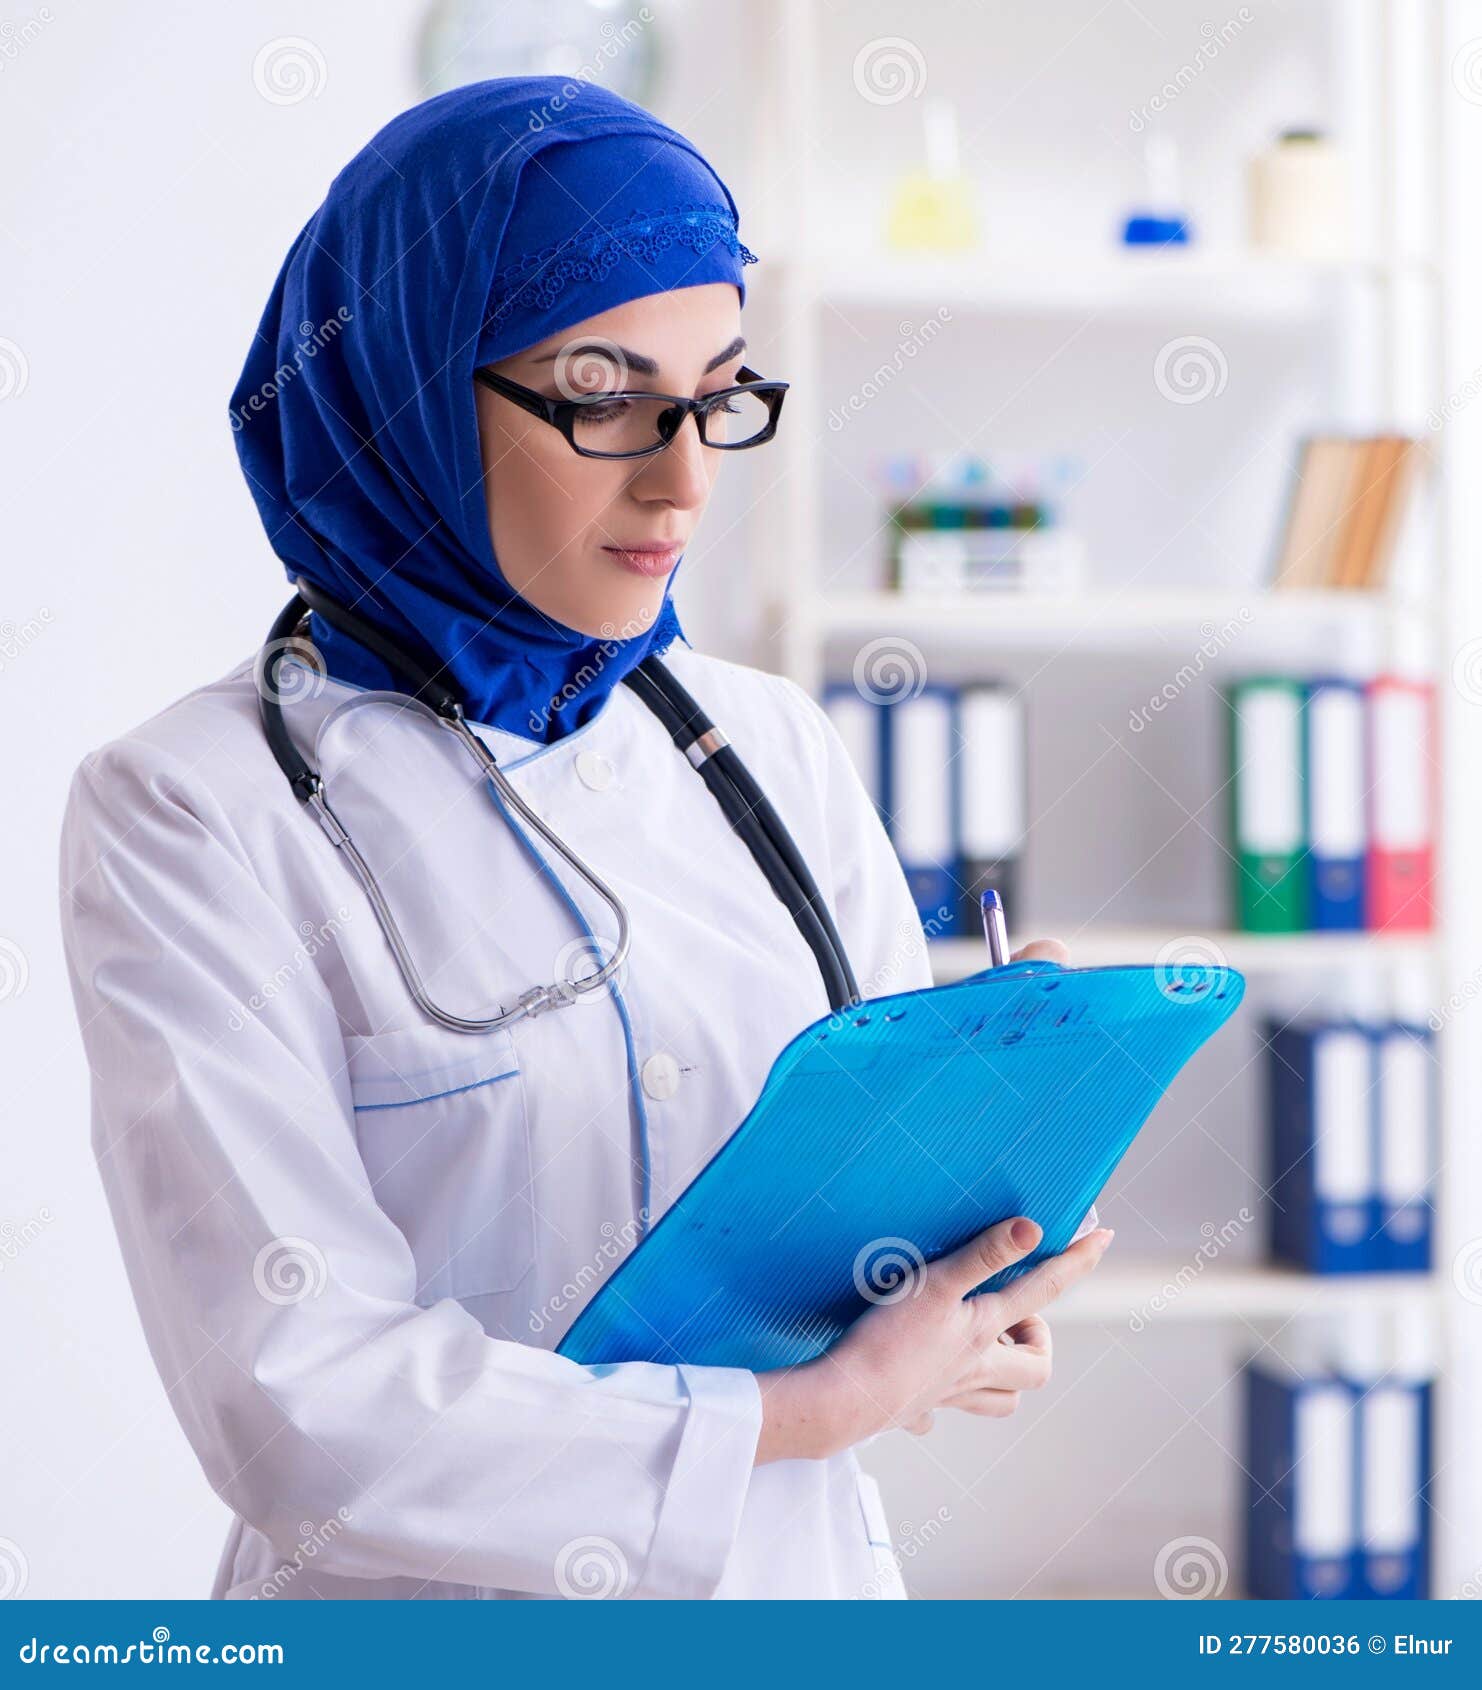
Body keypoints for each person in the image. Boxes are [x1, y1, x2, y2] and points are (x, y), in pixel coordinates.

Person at [57, 76, 1113, 1602]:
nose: (683, 478)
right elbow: (297, 1401)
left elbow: (897, 1270)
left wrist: (992, 1205)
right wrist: (815, 1407)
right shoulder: (190, 808)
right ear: (411, 385)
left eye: (719, 394)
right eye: (603, 393)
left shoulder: (770, 746)